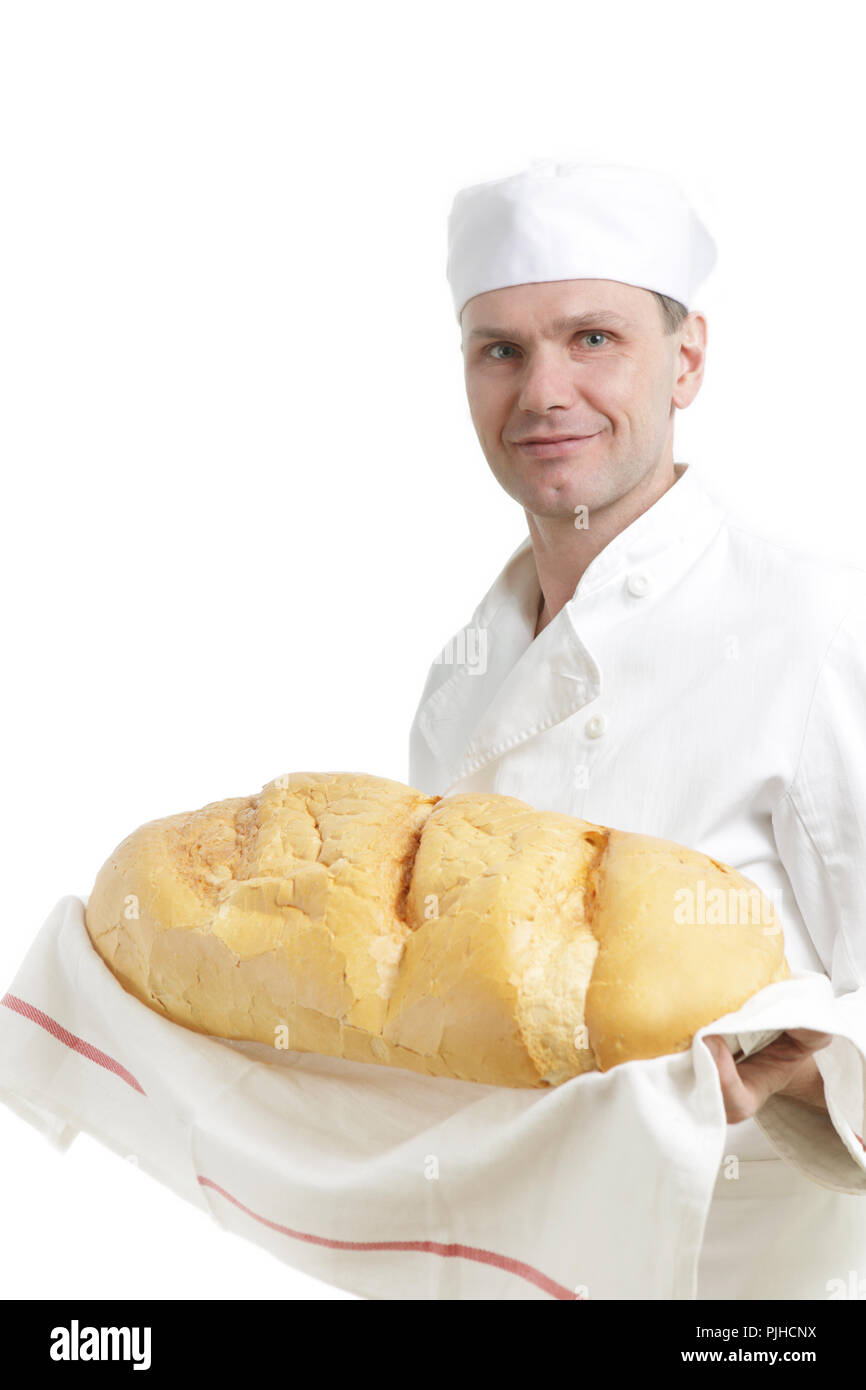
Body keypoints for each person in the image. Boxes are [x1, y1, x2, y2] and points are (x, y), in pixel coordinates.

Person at [408, 158, 866, 1300]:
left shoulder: (808, 627)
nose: (543, 391)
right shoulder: (460, 681)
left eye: (592, 339)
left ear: (688, 358)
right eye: (499, 350)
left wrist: (809, 1075)